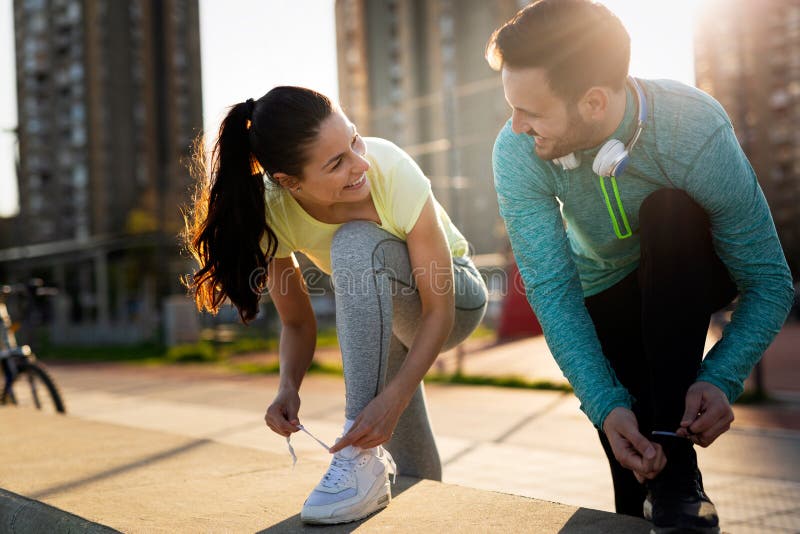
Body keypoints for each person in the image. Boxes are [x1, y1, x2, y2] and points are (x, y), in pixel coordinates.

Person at [486, 1, 794, 532]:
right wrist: (604, 405)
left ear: (593, 101)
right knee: (635, 470)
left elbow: (769, 280)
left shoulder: (692, 127)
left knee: (668, 210)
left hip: (690, 269)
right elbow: (553, 291)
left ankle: (677, 472)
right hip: (603, 292)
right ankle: (668, 483)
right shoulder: (515, 153)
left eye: (531, 111)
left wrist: (722, 377)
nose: (516, 127)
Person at [183, 86, 487, 525]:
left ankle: (356, 450)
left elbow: (438, 311)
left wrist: (395, 398)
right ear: (290, 182)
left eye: (354, 140)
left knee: (355, 243)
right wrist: (288, 385)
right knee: (415, 468)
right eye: (336, 163)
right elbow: (298, 323)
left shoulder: (391, 170)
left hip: (453, 300)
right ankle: (396, 492)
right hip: (384, 319)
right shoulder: (273, 212)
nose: (359, 163)